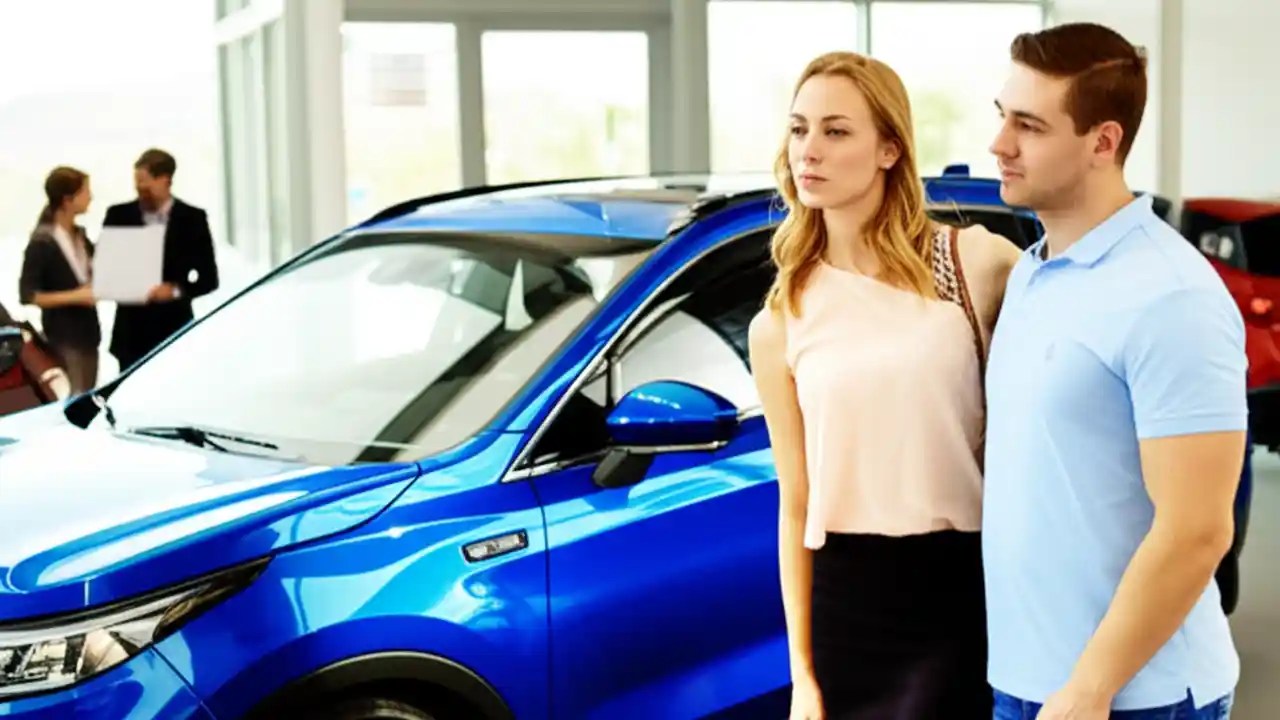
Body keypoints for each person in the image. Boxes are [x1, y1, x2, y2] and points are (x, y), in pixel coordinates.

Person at [748, 51, 1021, 719]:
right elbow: (796, 505)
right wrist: (803, 679)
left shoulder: (973, 263)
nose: (809, 149)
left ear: (890, 149)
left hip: (966, 586)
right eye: (799, 128)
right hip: (850, 602)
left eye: (836, 131)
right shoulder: (781, 321)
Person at [983, 23, 1244, 720]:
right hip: (1030, 678)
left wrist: (1090, 688)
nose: (999, 144)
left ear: (1103, 142)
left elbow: (1198, 529)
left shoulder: (1171, 296)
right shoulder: (1032, 274)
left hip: (1132, 697)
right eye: (1002, 116)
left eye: (1029, 126)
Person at [104, 148, 219, 371]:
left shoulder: (193, 219)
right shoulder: (118, 215)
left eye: (144, 183)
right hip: (131, 332)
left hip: (174, 329)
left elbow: (210, 279)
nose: (139, 189)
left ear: (164, 179)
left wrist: (175, 290)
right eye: (136, 183)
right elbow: (106, 270)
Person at [18, 166, 101, 394]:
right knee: (73, 400)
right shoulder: (43, 241)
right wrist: (76, 296)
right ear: (67, 199)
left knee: (88, 398)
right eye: (85, 191)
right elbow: (27, 294)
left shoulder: (81, 236)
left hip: (89, 334)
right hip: (64, 338)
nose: (90, 197)